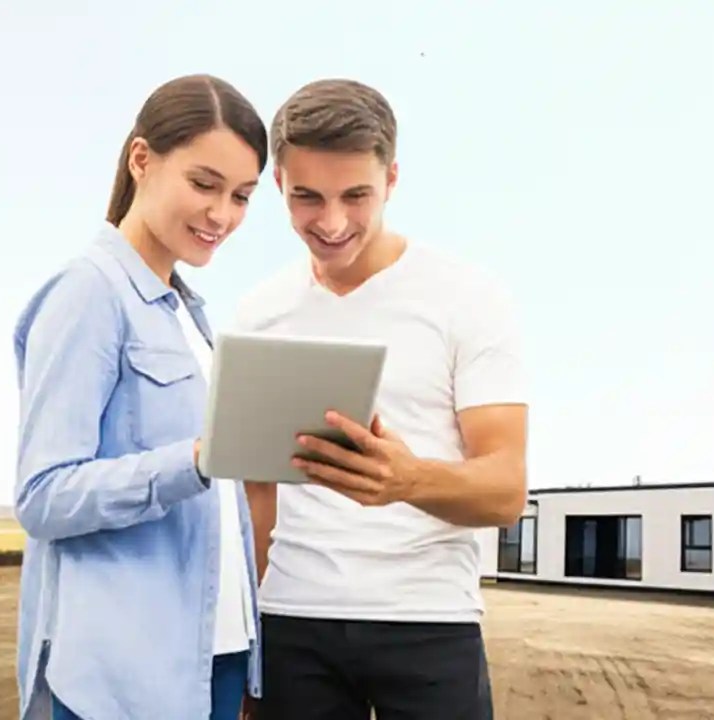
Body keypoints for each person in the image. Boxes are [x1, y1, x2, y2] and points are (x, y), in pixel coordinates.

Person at [237, 78, 529, 720]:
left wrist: (408, 479)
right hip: (292, 624)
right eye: (307, 197)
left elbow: (506, 490)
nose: (332, 222)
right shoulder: (257, 314)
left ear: (392, 179)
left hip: (427, 622)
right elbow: (258, 494)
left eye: (356, 195)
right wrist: (249, 644)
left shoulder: (467, 298)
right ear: (279, 185)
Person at [12, 74, 268, 720]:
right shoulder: (89, 295)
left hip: (214, 659)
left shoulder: (191, 314)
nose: (222, 215)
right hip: (123, 682)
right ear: (141, 160)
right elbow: (43, 494)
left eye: (242, 196)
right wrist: (194, 462)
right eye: (204, 185)